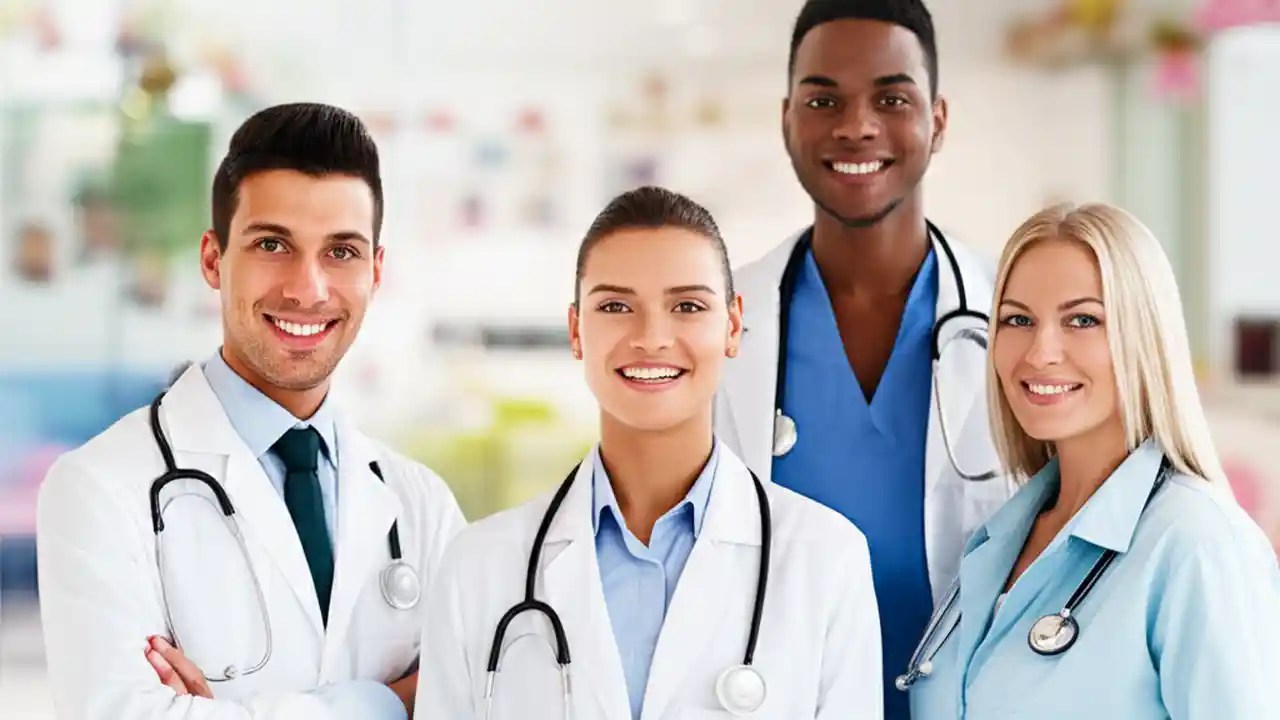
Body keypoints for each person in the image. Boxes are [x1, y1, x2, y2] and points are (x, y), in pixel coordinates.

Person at [36, 103, 466, 720]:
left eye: (341, 252)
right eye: (272, 244)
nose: (307, 288)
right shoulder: (99, 489)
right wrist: (386, 701)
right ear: (213, 260)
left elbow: (482, 695)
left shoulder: (421, 504)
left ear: (376, 271)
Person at [414, 186, 883, 720]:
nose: (651, 337)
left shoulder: (826, 559)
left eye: (687, 306)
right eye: (616, 306)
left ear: (732, 326)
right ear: (575, 330)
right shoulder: (479, 568)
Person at [713, 2, 1014, 716]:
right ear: (787, 118)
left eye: (891, 98)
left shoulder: (1014, 315)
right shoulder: (724, 321)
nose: (857, 125)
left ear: (938, 120)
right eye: (824, 99)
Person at [906, 203, 1280, 718]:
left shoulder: (1197, 545)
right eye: (1018, 319)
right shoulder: (997, 541)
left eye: (1083, 320)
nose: (1040, 352)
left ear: (1144, 336)